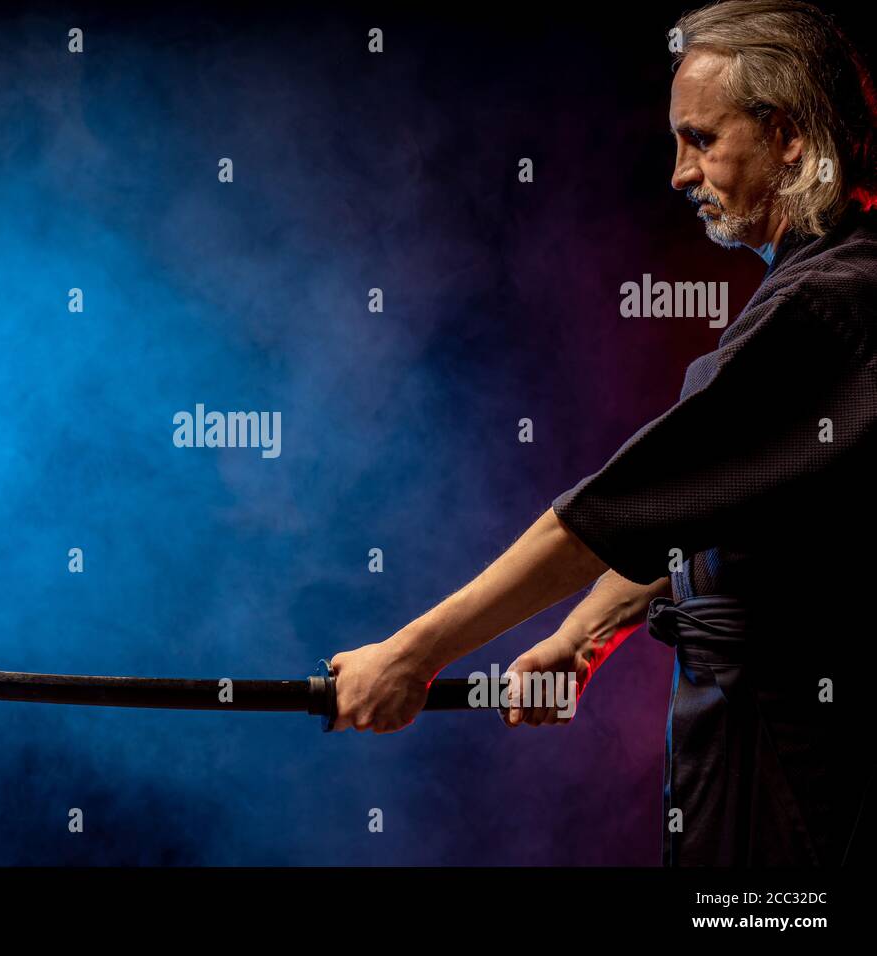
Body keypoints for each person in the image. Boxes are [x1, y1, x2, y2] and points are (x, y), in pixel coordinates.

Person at [329, 0, 877, 866]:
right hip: (759, 746)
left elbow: (609, 517)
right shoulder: (815, 288)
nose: (678, 174)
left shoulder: (833, 303)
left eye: (700, 139)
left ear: (791, 137)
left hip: (802, 765)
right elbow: (690, 513)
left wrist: (408, 655)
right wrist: (581, 642)